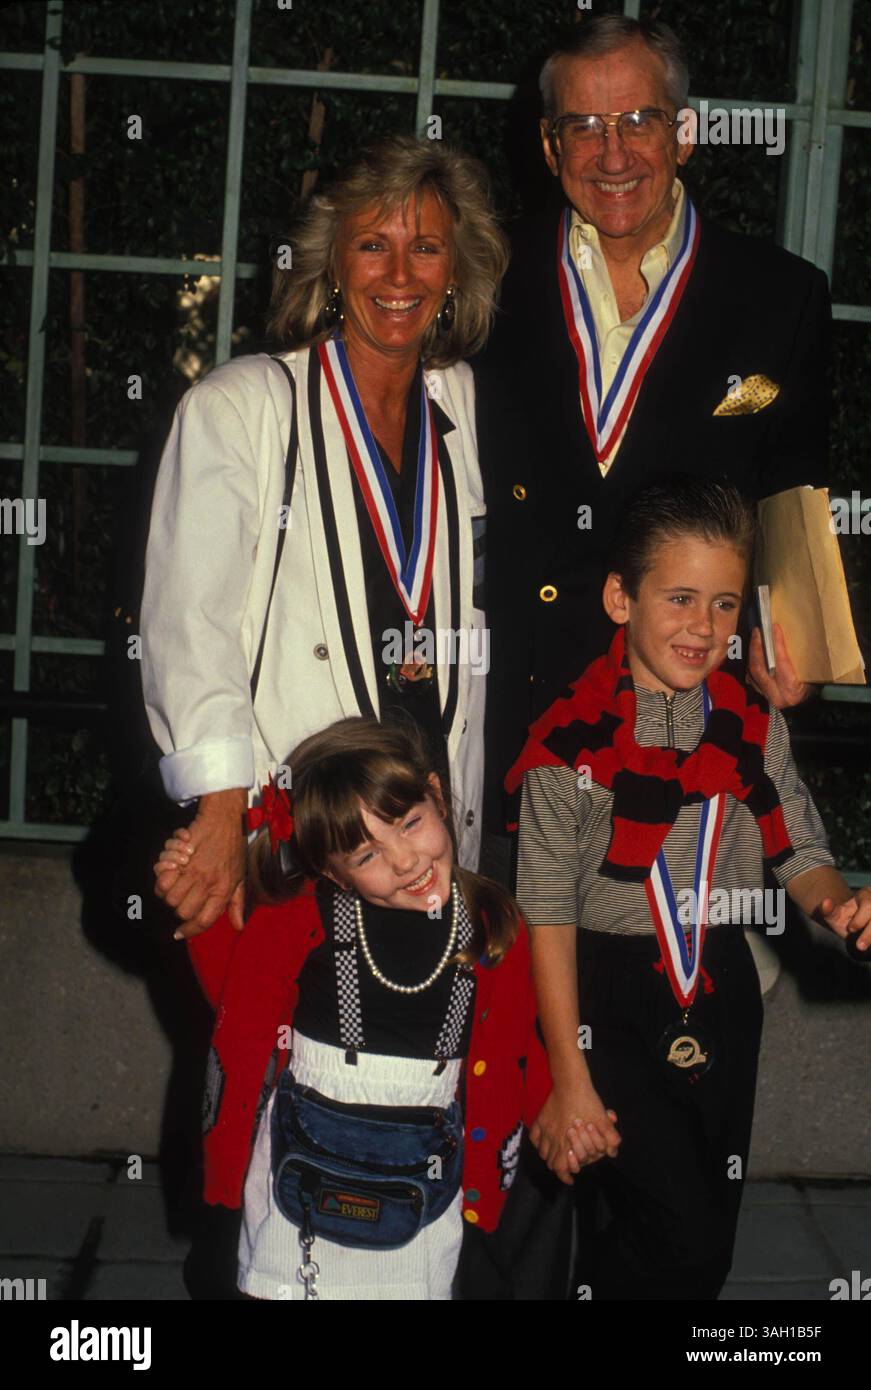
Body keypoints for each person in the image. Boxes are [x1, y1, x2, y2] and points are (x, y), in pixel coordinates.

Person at [507, 478, 870, 1301]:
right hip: (600, 995)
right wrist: (568, 1074)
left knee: (682, 1221)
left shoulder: (751, 722)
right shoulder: (568, 740)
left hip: (718, 986)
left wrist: (834, 903)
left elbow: (797, 846)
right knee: (684, 1247)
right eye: (677, 598)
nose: (701, 627)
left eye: (722, 604)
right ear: (617, 596)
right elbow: (548, 913)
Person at [141, 135, 508, 940]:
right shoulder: (242, 407)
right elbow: (187, 626)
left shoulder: (468, 409)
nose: (401, 275)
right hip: (301, 844)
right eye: (372, 246)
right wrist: (216, 810)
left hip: (433, 851)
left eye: (426, 248)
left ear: (456, 270)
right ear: (331, 263)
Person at [474, 14, 831, 841]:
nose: (613, 154)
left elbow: (791, 494)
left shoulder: (780, 296)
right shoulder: (485, 273)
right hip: (512, 716)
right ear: (548, 144)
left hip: (690, 718)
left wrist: (798, 647)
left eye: (638, 119)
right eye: (583, 127)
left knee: (677, 963)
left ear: (683, 133)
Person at [153, 715, 556, 1300]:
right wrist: (194, 896)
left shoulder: (493, 928)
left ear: (437, 796)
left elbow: (517, 1045)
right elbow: (236, 1001)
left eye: (410, 823)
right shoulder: (301, 918)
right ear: (329, 871)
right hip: (300, 1176)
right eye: (366, 855)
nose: (403, 861)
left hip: (424, 1177)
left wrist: (559, 1110)